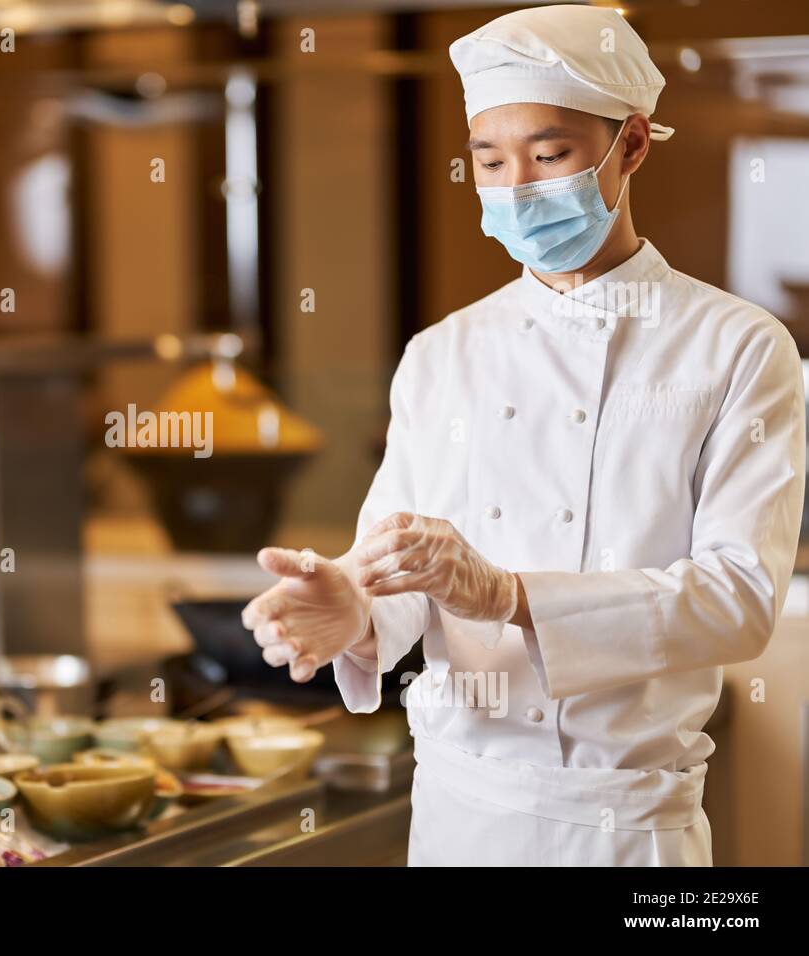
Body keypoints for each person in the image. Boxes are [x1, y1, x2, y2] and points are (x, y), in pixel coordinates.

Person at [242, 4, 805, 866]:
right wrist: (356, 608)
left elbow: (738, 600)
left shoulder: (737, 346)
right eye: (490, 161)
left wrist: (508, 596)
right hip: (459, 814)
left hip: (625, 826)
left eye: (549, 156)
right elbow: (400, 566)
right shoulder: (442, 354)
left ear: (632, 145)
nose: (518, 187)